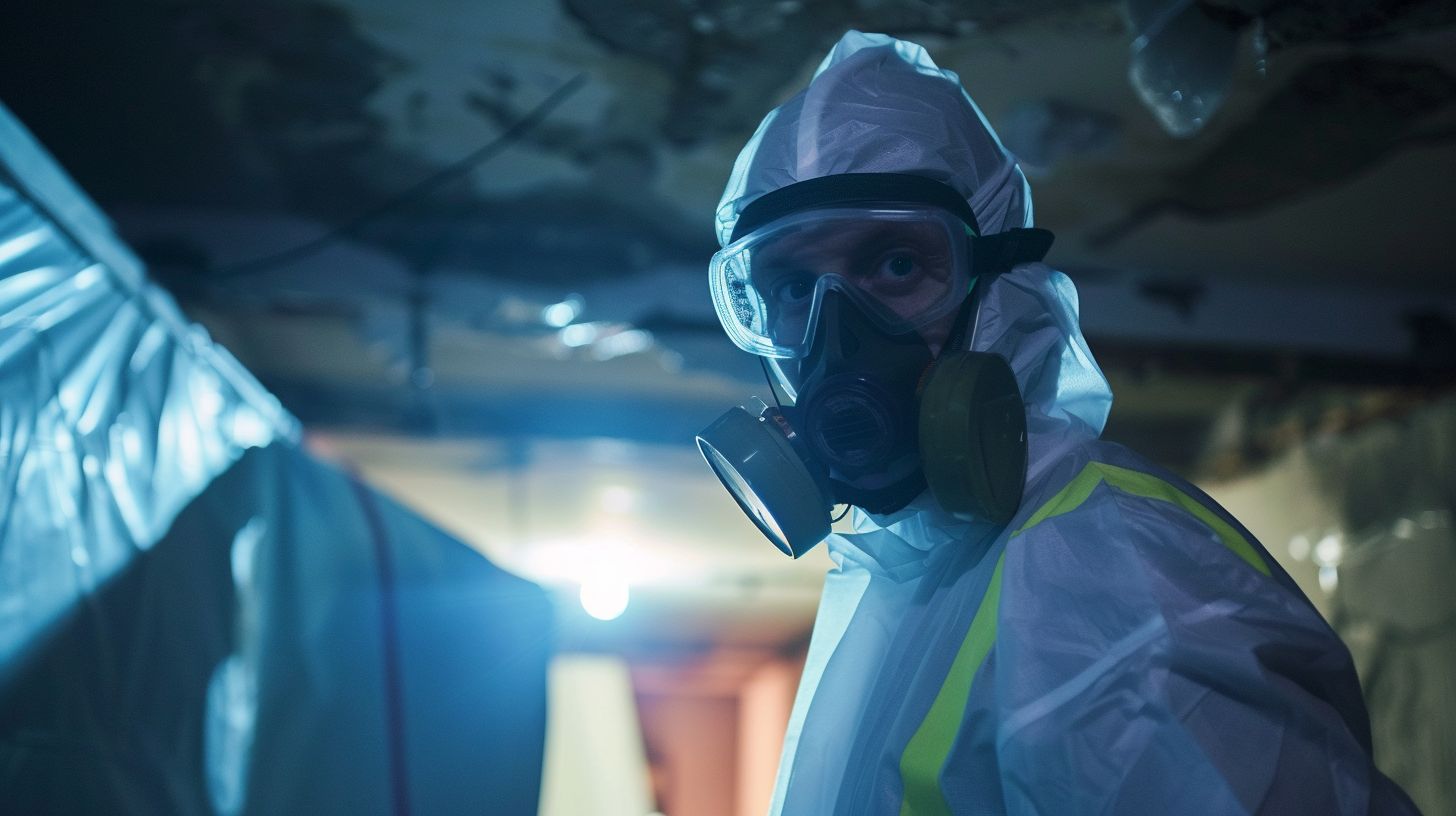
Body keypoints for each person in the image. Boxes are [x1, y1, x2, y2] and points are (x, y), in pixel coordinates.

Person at [694, 31, 1419, 815]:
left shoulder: (1111, 587)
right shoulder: (932, 575)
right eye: (792, 290)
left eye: (897, 264)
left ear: (1003, 285)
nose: (837, 339)